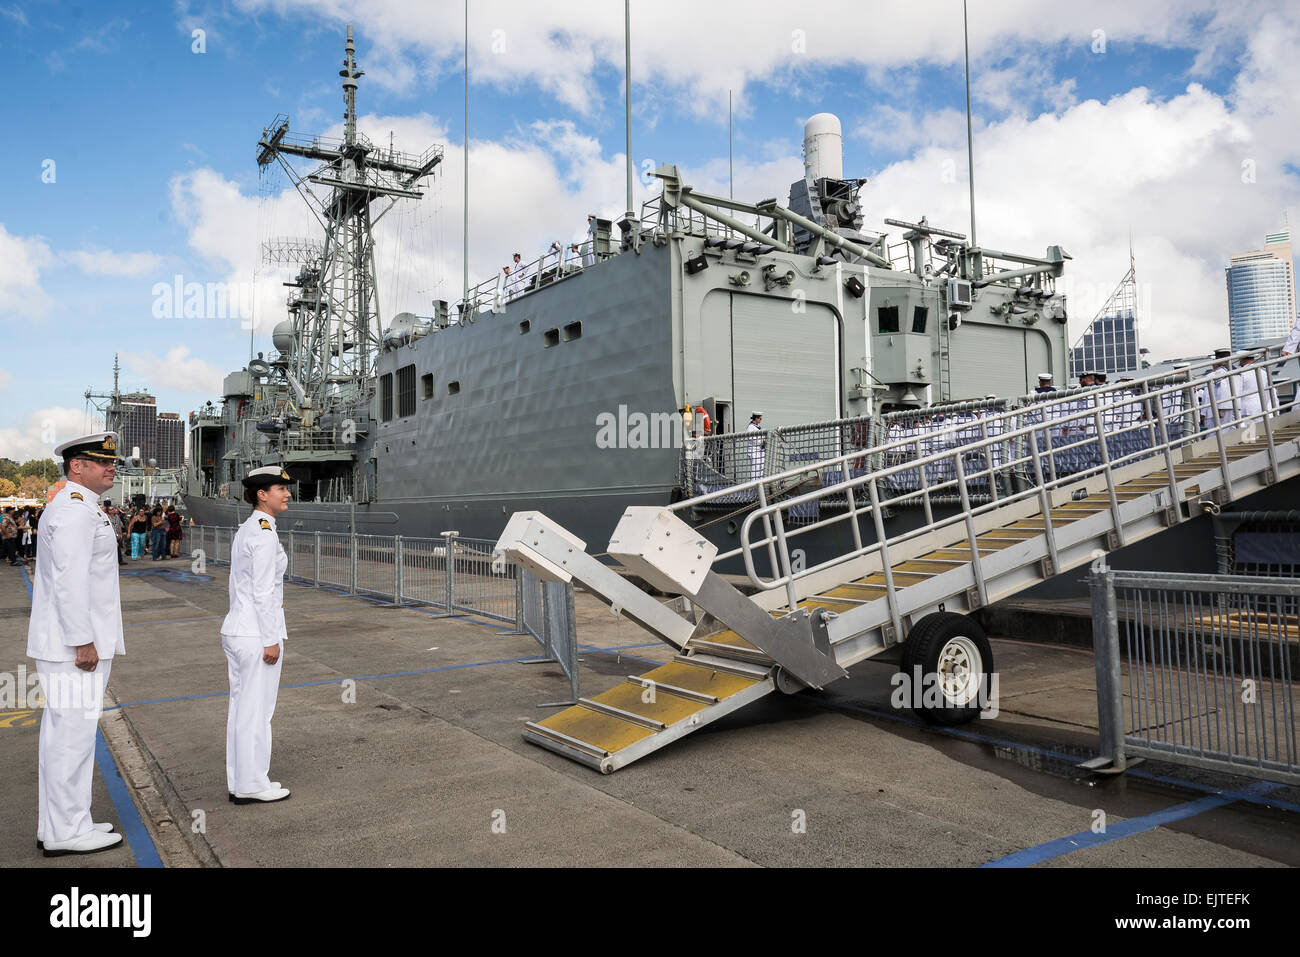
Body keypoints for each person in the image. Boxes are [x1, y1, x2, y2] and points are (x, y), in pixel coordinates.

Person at [28, 431, 125, 856]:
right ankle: (67, 831)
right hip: (74, 647)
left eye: (112, 462)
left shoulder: (83, 508)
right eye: (101, 461)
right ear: (76, 466)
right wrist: (83, 641)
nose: (111, 467)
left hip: (72, 643)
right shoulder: (73, 511)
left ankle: (63, 824)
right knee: (71, 737)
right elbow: (69, 581)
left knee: (66, 736)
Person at [222, 465, 293, 805]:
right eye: (281, 489)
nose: (288, 494)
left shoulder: (251, 528)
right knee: (257, 711)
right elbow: (264, 591)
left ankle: (242, 781)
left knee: (242, 709)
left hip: (239, 629)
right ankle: (252, 784)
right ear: (262, 494)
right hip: (255, 634)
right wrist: (270, 638)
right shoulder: (263, 533)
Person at [746, 411, 766, 484]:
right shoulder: (751, 427)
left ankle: (760, 484)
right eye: (760, 419)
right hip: (754, 451)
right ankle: (754, 486)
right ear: (756, 418)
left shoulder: (757, 427)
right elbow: (752, 439)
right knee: (755, 470)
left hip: (759, 451)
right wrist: (762, 441)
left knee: (761, 469)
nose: (761, 420)